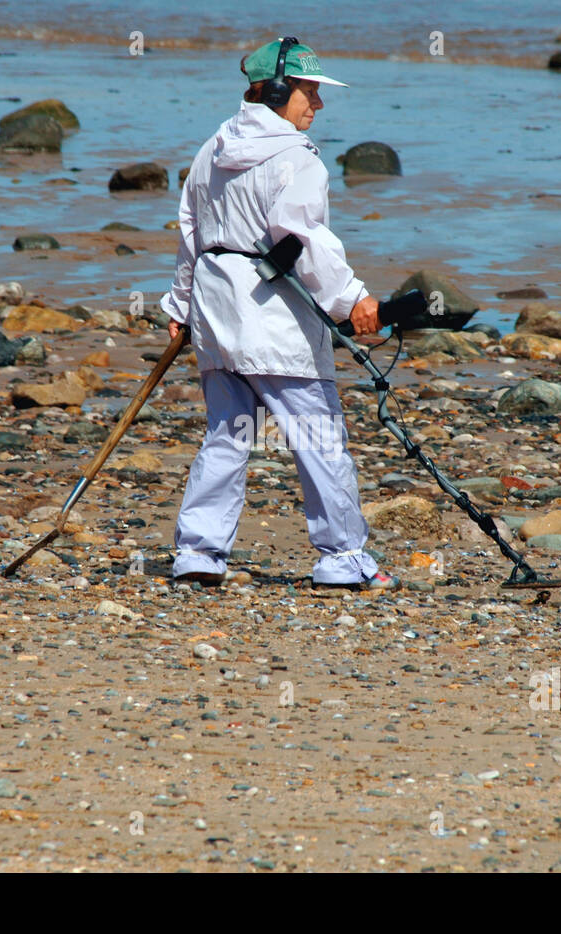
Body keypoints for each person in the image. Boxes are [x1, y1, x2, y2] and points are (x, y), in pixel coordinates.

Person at [160, 37, 399, 592]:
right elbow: (306, 240)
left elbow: (191, 233)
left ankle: (198, 556)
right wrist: (355, 301)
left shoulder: (212, 147)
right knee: (318, 437)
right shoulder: (297, 158)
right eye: (309, 93)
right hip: (274, 324)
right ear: (274, 92)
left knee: (226, 435)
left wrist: (179, 303)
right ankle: (343, 559)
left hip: (218, 316)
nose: (317, 105)